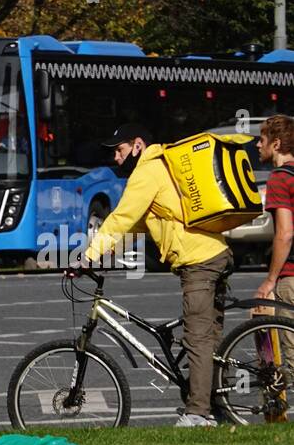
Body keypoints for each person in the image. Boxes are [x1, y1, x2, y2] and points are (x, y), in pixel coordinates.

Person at [84, 124, 234, 427]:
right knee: (209, 336)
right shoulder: (162, 165)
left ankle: (198, 414)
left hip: (199, 261)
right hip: (211, 253)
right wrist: (109, 249)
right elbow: (141, 223)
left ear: (138, 145)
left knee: (198, 339)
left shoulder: (148, 171)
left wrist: (88, 257)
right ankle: (216, 405)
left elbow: (123, 217)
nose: (116, 158)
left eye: (120, 150)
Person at [254, 115, 294, 377]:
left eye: (263, 139)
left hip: (290, 277)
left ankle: (276, 413)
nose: (258, 145)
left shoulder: (280, 178)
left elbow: (285, 234)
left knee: (288, 356)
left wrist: (270, 280)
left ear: (276, 144)